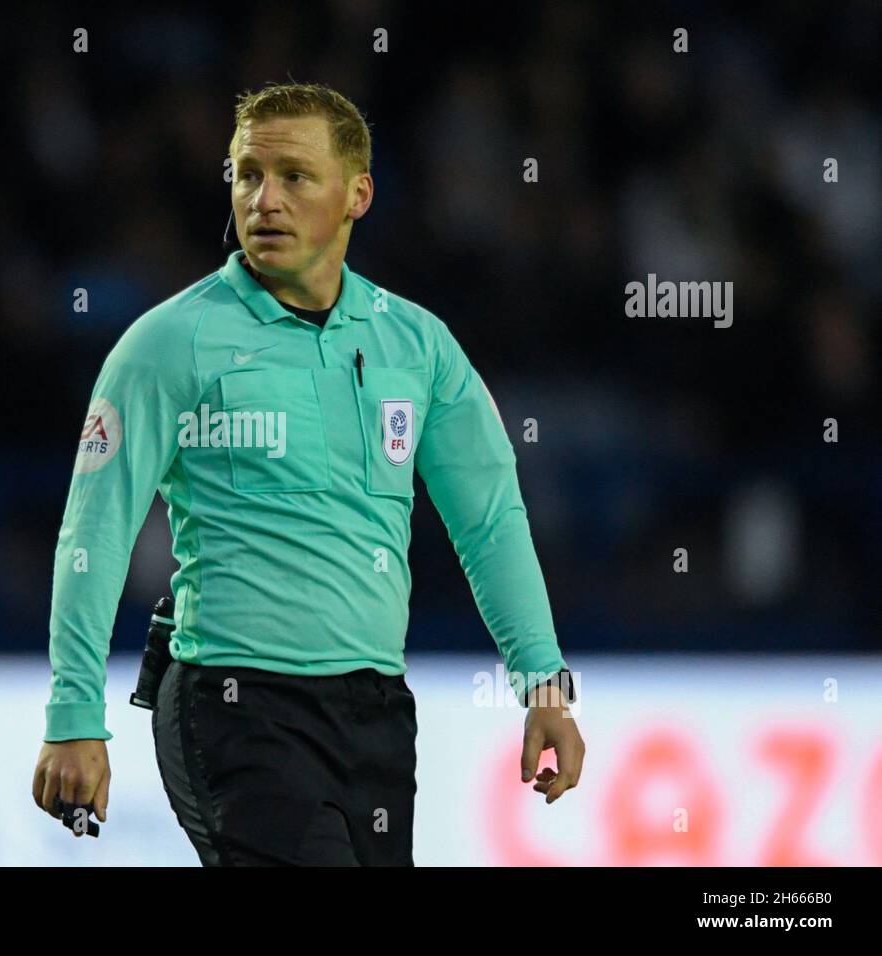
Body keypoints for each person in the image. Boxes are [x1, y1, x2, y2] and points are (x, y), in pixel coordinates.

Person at [32, 81, 584, 865]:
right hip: (232, 705)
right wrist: (74, 713)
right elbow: (95, 532)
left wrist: (545, 687)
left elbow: (491, 521)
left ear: (357, 194)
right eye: (246, 173)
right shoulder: (167, 345)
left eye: (293, 176)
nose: (263, 199)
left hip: (375, 712)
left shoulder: (418, 347)